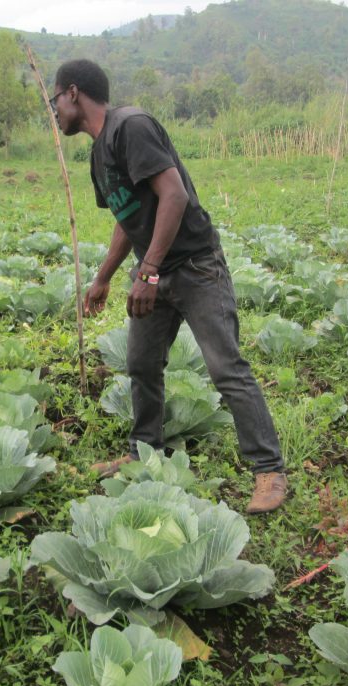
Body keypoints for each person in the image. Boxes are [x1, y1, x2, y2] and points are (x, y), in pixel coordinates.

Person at [51, 59, 287, 514]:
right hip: (155, 272)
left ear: (73, 93)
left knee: (226, 369)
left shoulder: (130, 126)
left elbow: (174, 194)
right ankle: (145, 453)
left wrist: (149, 272)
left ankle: (269, 470)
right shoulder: (99, 153)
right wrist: (103, 277)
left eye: (54, 99)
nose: (55, 110)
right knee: (141, 363)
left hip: (195, 267)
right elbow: (128, 219)